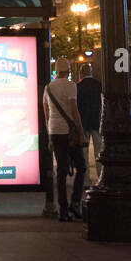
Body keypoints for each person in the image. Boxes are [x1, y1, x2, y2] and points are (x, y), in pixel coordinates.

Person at [43, 56, 86, 221]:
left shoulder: (47, 88)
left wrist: (49, 138)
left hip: (55, 131)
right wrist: (81, 132)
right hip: (69, 133)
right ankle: (75, 203)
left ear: (56, 71)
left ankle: (63, 209)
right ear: (68, 70)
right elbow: (74, 111)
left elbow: (47, 115)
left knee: (61, 171)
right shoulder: (71, 86)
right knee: (81, 167)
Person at [76, 62, 103, 181]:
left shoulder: (78, 86)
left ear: (81, 73)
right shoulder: (98, 85)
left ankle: (86, 180)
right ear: (91, 72)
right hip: (96, 122)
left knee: (84, 153)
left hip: (83, 124)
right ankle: (100, 177)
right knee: (99, 152)